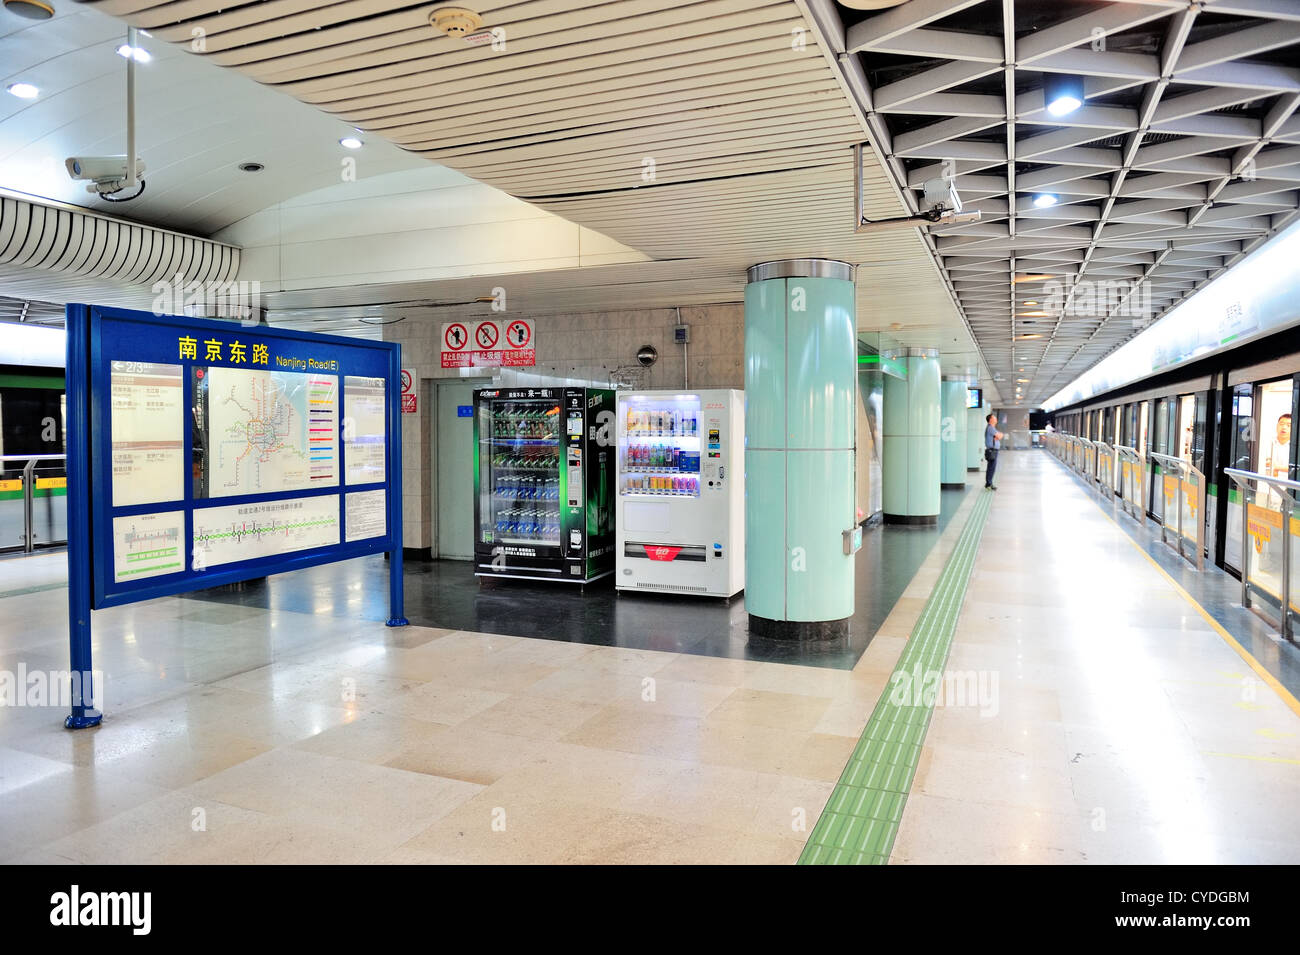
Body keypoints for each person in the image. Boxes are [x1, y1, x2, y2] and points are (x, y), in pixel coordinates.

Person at [984, 413, 1004, 490]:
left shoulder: (992, 428)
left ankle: (989, 483)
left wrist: (998, 436)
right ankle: (988, 484)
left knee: (991, 467)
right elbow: (999, 436)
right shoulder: (990, 428)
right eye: (994, 417)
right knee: (991, 468)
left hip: (993, 451)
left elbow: (999, 436)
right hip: (992, 451)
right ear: (990, 420)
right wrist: (998, 436)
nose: (996, 419)